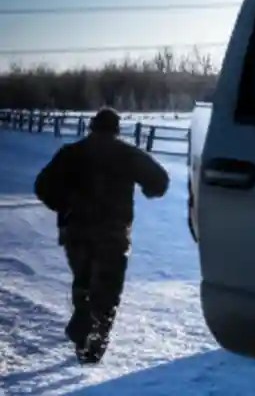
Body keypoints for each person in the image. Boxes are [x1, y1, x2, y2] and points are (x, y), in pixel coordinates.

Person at [32, 107, 170, 364]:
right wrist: (148, 189)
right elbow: (160, 181)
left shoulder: (70, 153)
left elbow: (42, 186)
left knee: (83, 279)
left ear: (92, 127)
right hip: (113, 233)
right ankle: (93, 346)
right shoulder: (127, 154)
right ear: (116, 129)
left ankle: (83, 320)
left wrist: (65, 206)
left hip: (76, 231)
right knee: (107, 289)